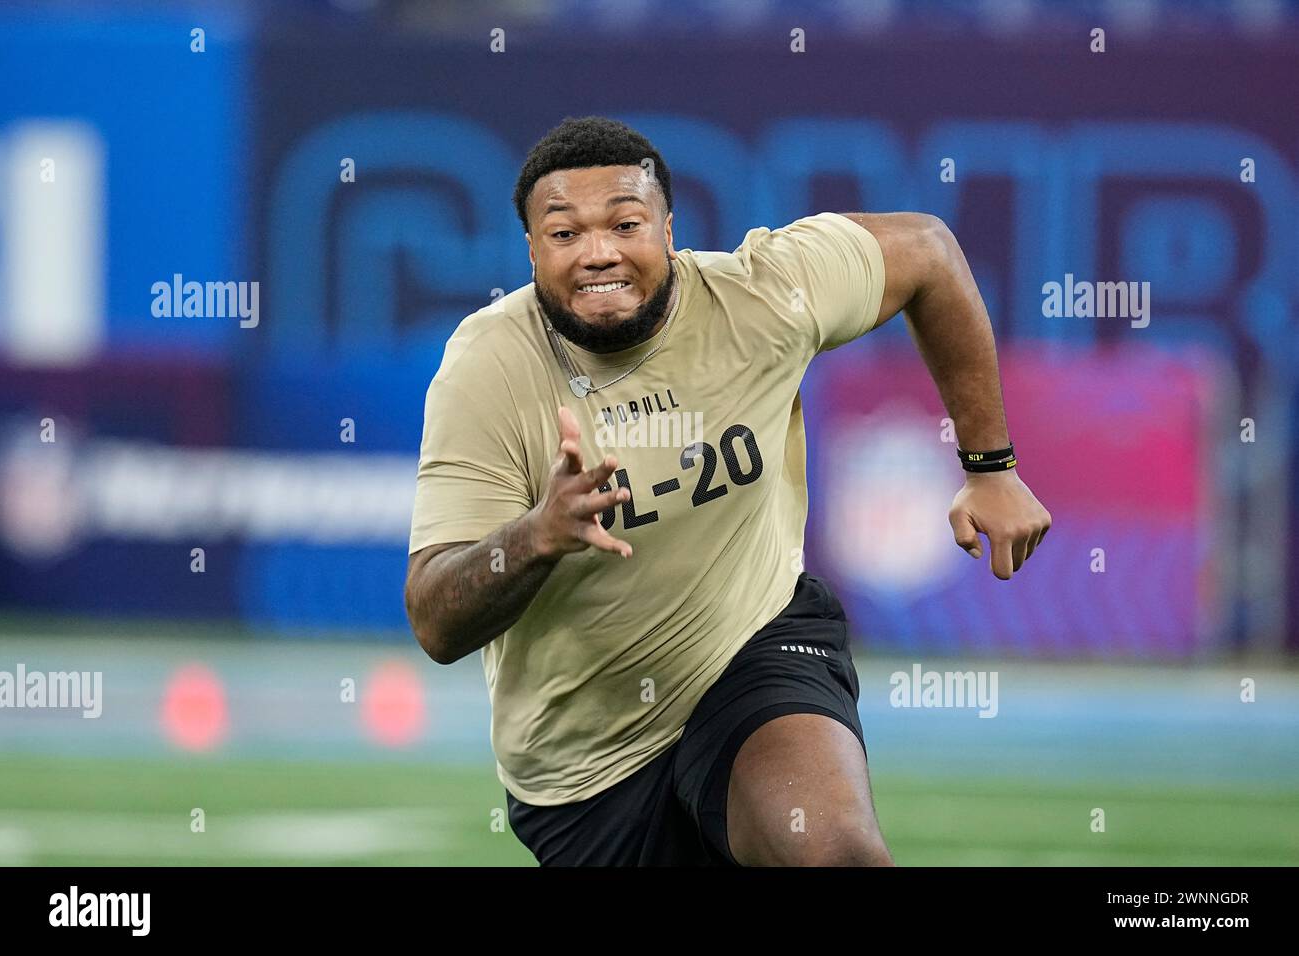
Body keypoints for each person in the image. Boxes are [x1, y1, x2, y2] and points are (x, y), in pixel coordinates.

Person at [404, 116, 1051, 866]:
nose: (599, 253)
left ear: (668, 230)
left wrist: (990, 467)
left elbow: (930, 253)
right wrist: (537, 535)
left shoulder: (764, 295)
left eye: (624, 223)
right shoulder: (487, 369)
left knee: (836, 854)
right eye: (564, 234)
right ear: (530, 250)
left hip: (754, 652)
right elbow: (435, 620)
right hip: (584, 764)